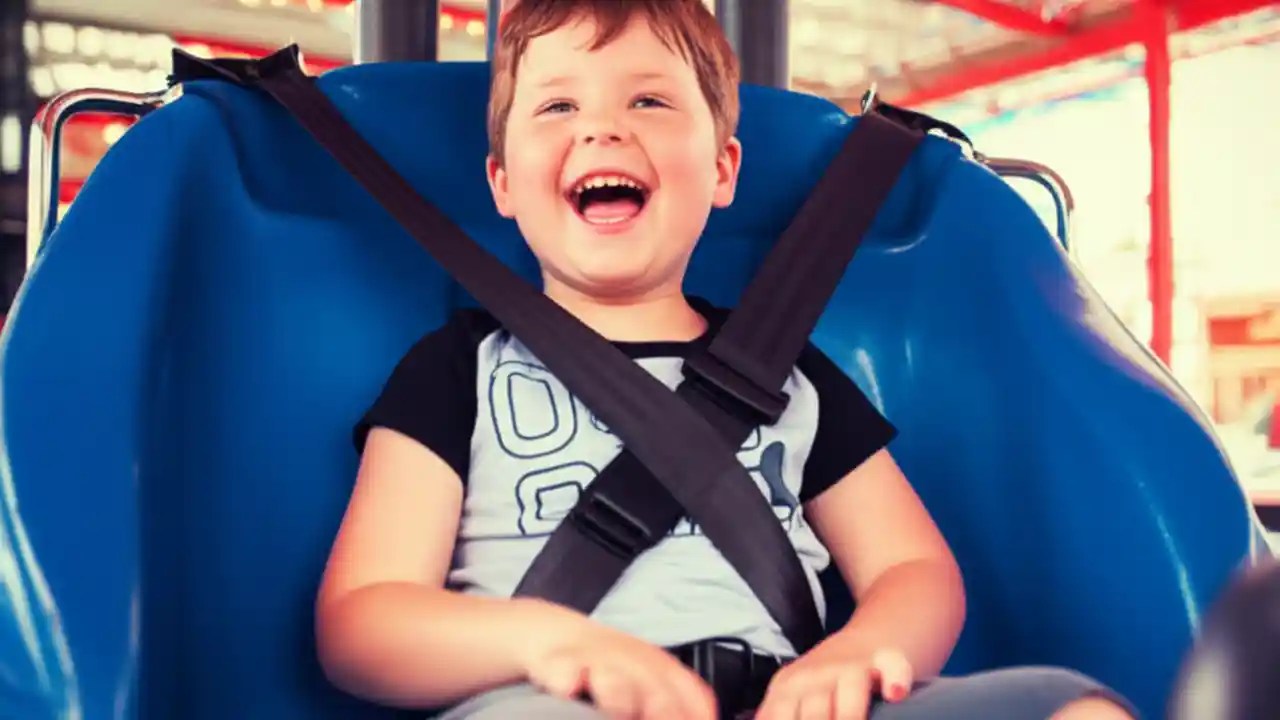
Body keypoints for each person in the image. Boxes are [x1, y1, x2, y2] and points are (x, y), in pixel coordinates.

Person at [314, 1, 1139, 718]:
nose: (601, 127)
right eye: (557, 105)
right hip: (545, 701)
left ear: (721, 169)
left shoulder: (787, 372)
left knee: (1071, 705)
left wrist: (857, 656)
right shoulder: (460, 370)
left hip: (790, 698)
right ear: (502, 182)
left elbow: (914, 568)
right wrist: (550, 643)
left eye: (649, 99)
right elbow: (362, 623)